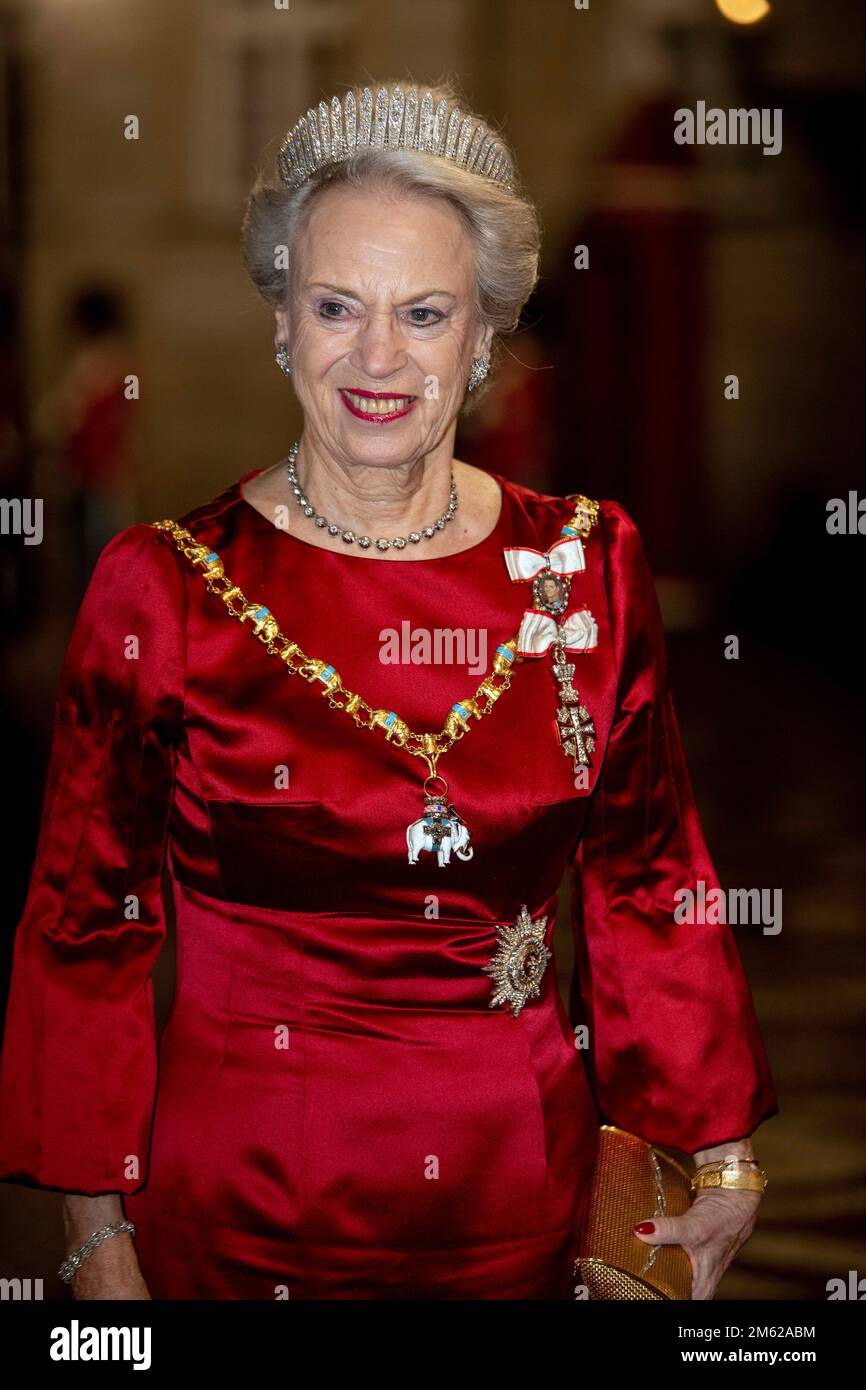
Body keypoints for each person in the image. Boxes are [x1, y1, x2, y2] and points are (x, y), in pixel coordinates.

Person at [0, 78, 777, 1301]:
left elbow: (646, 874)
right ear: (279, 322)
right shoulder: (166, 589)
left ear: (481, 338)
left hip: (524, 1207)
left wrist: (719, 1148)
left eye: (423, 312)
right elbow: (83, 930)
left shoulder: (585, 564)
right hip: (234, 1214)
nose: (376, 357)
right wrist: (95, 1238)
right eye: (333, 306)